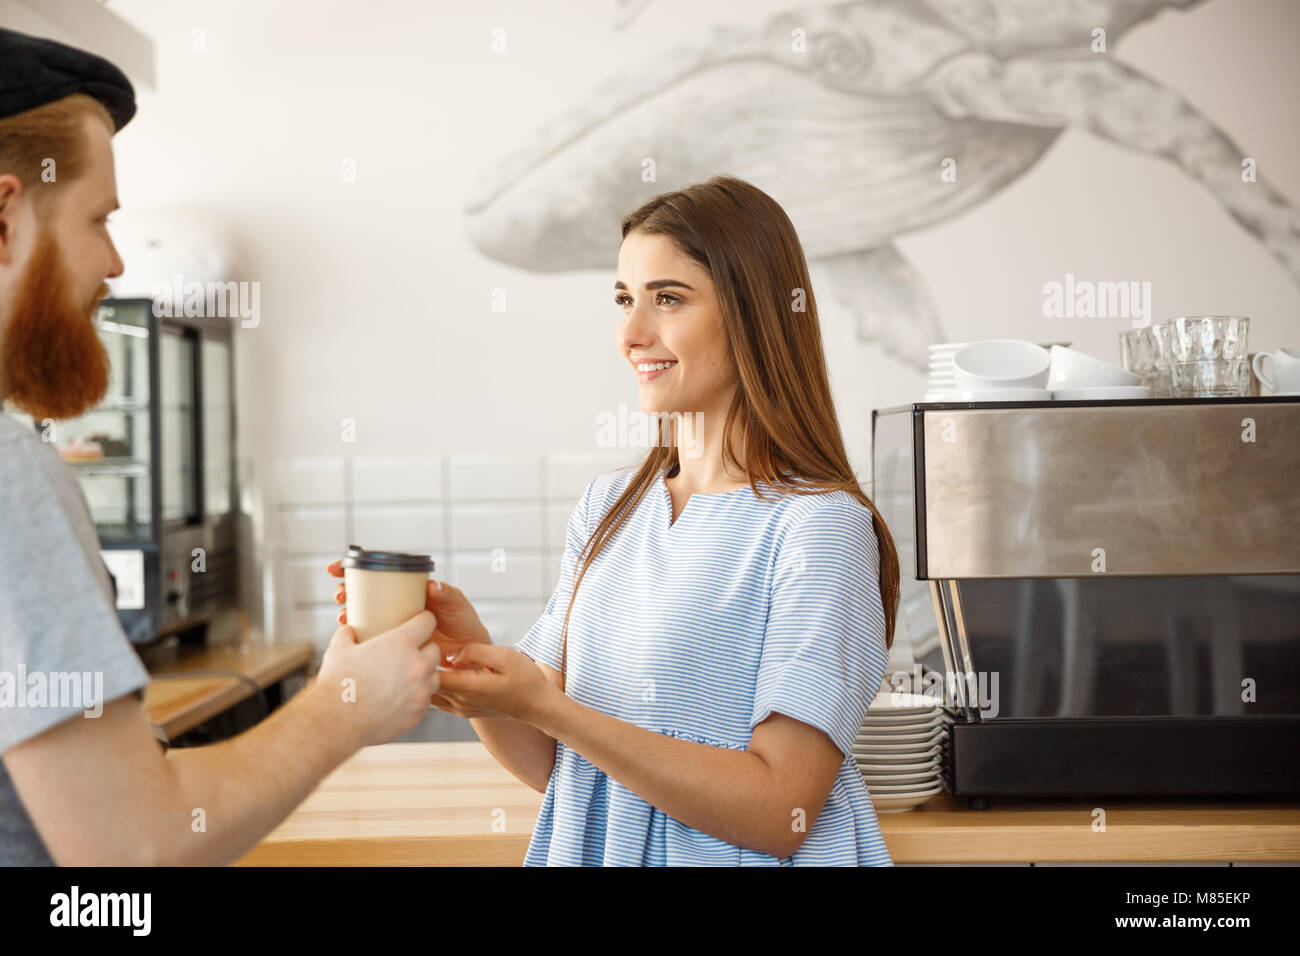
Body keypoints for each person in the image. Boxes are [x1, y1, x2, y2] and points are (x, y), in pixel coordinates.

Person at [331, 176, 902, 865]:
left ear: (756, 316)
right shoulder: (610, 510)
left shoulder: (818, 528)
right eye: (626, 300)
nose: (632, 334)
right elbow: (563, 769)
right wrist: (475, 669)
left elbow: (783, 810)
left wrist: (548, 707)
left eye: (668, 299)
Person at [0, 27, 443, 866]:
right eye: (98, 218)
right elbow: (133, 846)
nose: (115, 261)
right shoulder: (10, 476)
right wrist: (344, 708)